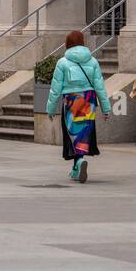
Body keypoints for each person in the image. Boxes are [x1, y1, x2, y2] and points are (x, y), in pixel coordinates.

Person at [46, 30, 111, 182]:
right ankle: (77, 166)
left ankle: (79, 163)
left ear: (67, 43)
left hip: (71, 100)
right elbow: (100, 86)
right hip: (89, 100)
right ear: (82, 42)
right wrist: (106, 108)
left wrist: (50, 109)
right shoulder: (93, 61)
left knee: (72, 133)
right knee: (83, 133)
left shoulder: (62, 62)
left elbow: (55, 88)